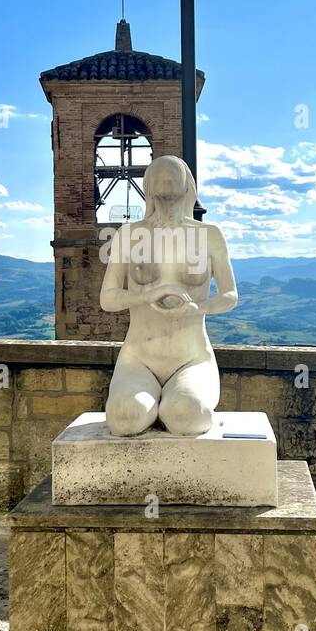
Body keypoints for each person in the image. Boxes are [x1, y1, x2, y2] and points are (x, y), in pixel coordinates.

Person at [99, 154, 238, 436]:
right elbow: (108, 298)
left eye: (174, 196)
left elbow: (230, 295)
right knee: (125, 418)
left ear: (188, 192)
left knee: (188, 416)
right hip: (138, 358)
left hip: (191, 357)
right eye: (161, 198)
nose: (168, 204)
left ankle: (177, 406)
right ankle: (153, 407)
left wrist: (196, 307)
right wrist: (147, 295)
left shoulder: (210, 235)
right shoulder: (129, 235)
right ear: (149, 193)